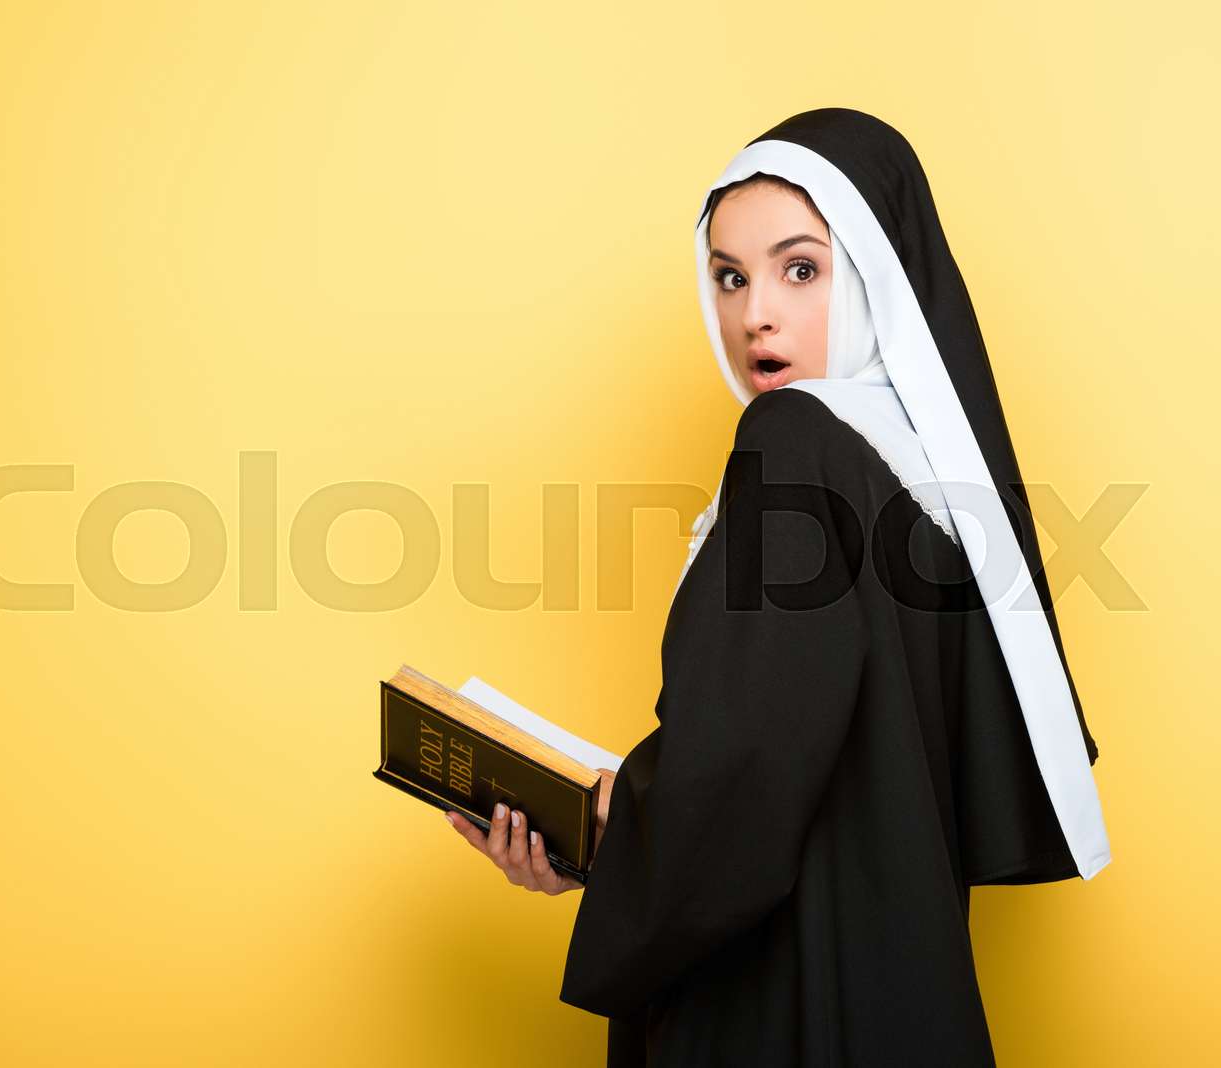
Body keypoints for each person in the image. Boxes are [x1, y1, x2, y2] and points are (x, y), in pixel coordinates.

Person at [446, 107, 1112, 1066]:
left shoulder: (797, 443)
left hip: (783, 1007)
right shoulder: (922, 476)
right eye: (729, 276)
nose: (755, 312)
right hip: (894, 991)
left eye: (801, 269)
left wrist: (599, 830)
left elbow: (740, 779)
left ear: (876, 277)